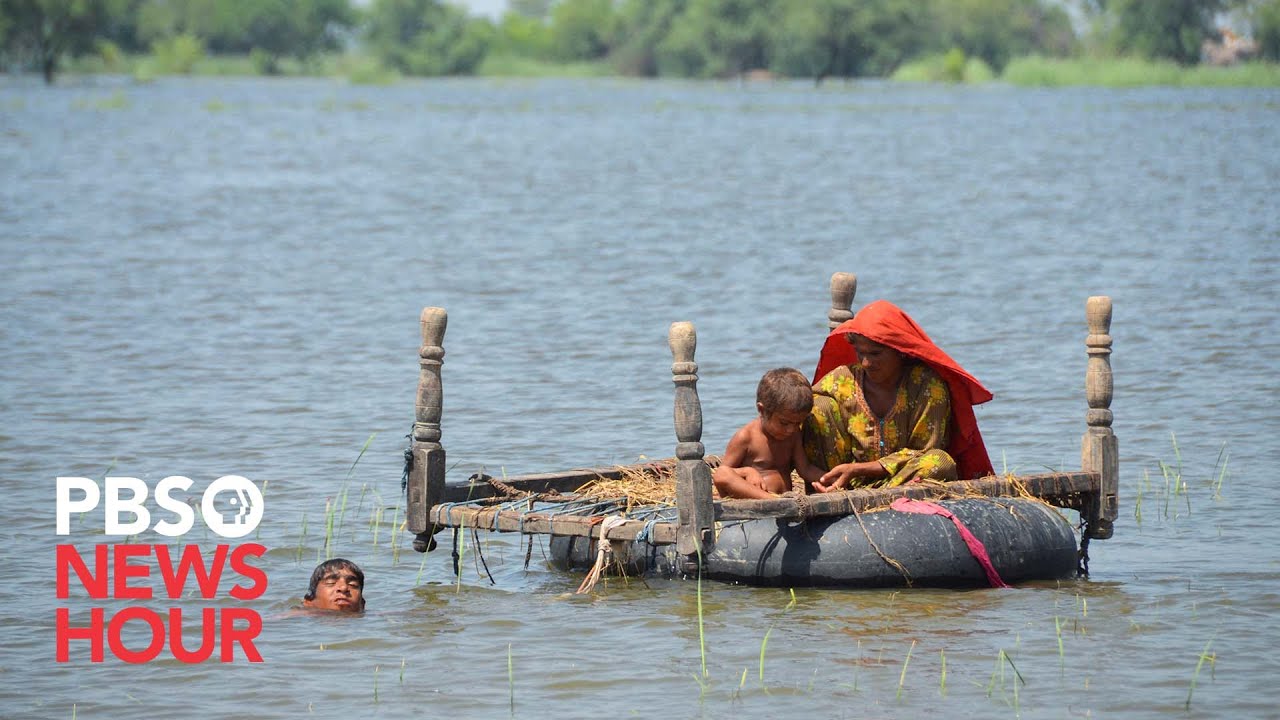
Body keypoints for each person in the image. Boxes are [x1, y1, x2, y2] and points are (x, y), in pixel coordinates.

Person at [804, 300, 994, 492]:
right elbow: (791, 413)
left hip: (902, 481)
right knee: (818, 406)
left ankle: (877, 496)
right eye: (860, 353)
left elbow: (924, 451)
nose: (867, 363)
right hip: (845, 484)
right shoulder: (841, 380)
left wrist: (858, 469)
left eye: (876, 354)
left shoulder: (926, 386)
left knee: (939, 461)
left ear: (900, 351)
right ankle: (830, 491)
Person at [713, 368, 827, 500]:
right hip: (756, 503)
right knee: (724, 474)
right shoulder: (746, 437)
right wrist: (747, 471)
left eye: (797, 423)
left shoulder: (793, 435)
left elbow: (805, 469)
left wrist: (829, 479)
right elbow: (722, 475)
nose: (791, 429)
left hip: (785, 501)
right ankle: (772, 501)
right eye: (784, 423)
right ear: (761, 410)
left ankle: (779, 503)